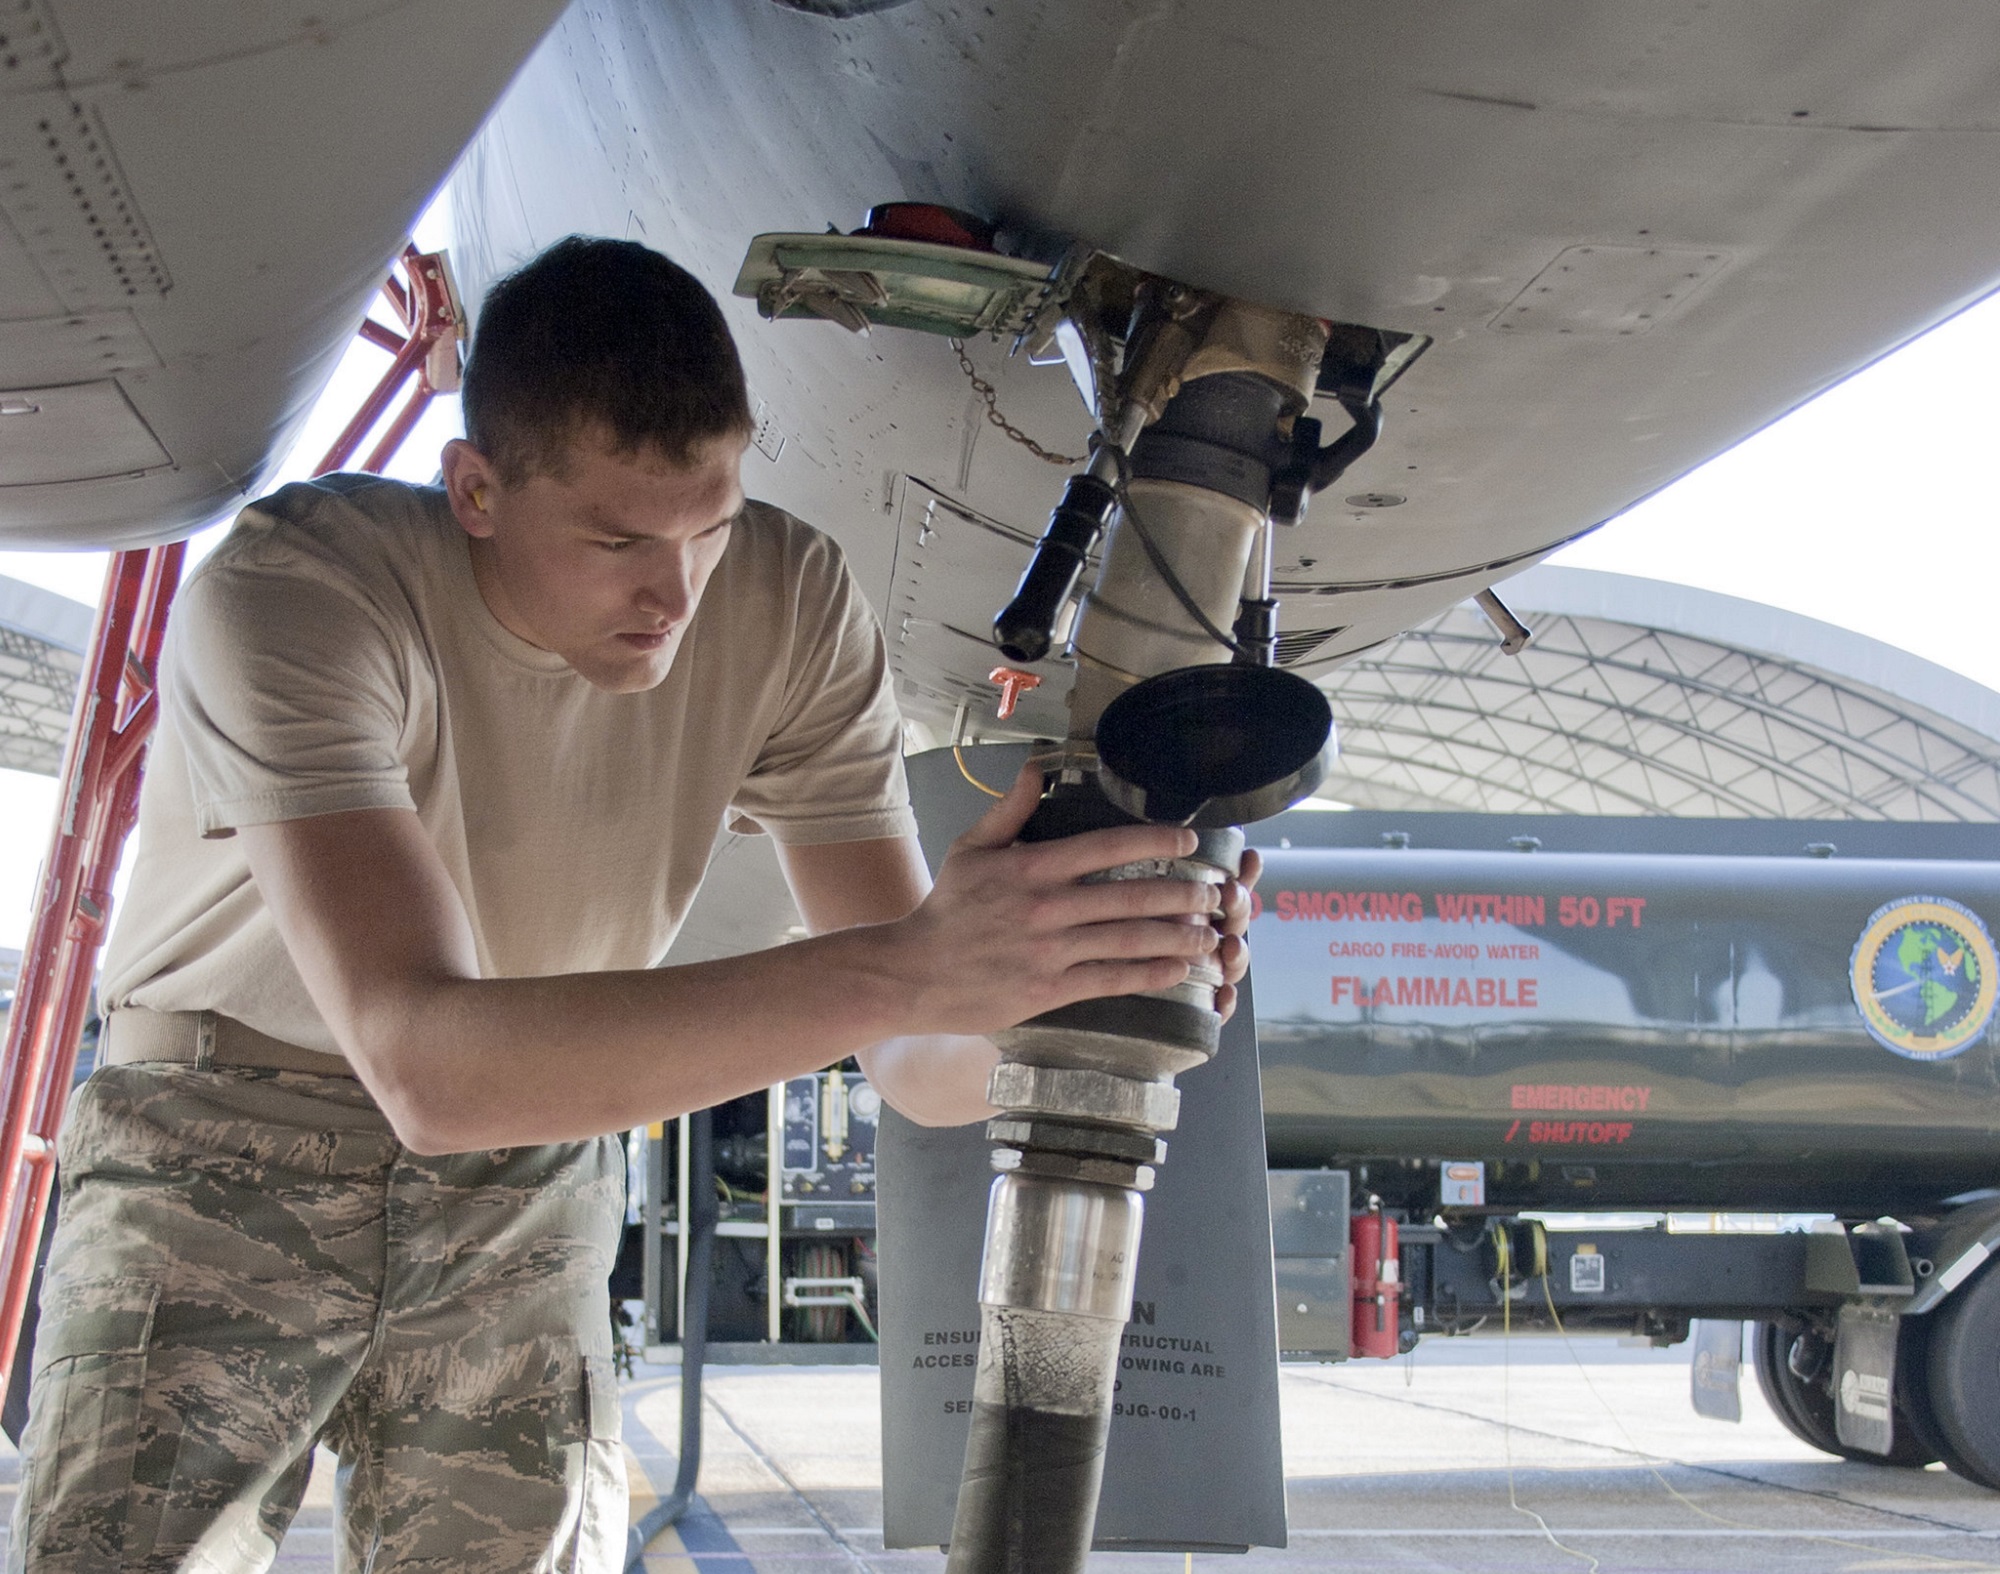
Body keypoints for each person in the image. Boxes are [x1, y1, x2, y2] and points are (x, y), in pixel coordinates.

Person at [8, 236, 1257, 1572]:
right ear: (476, 488)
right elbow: (426, 1061)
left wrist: (1057, 983)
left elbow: (920, 1064)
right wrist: (913, 966)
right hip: (227, 1140)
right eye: (615, 539)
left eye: (707, 528)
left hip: (536, 1156)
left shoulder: (785, 603)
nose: (672, 597)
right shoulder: (305, 592)